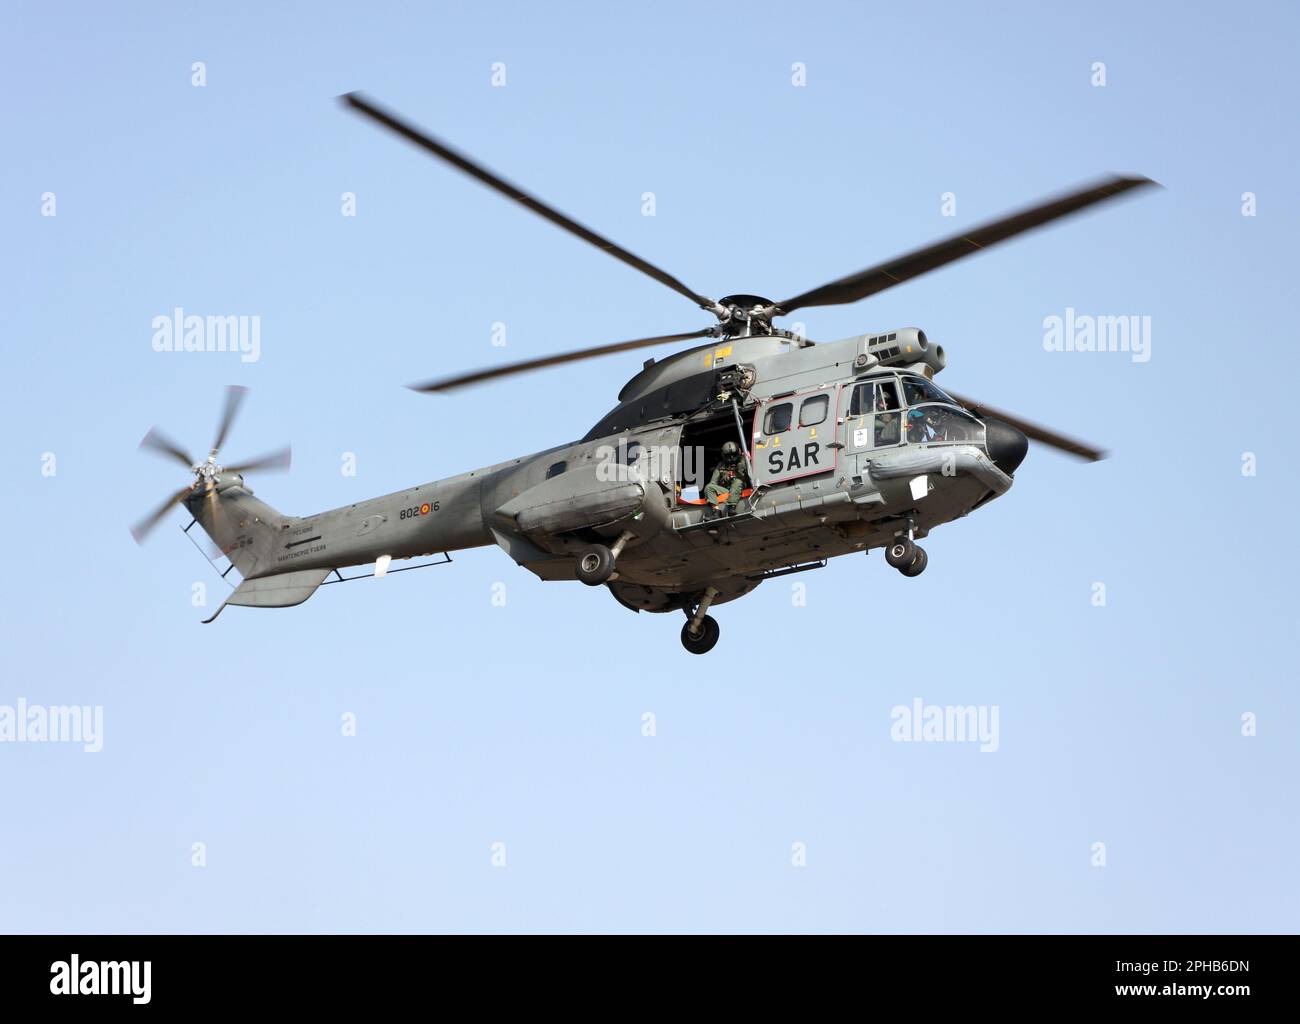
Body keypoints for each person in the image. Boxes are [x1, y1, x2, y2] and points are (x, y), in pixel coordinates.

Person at [704, 441, 750, 516]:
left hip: (741, 489)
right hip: (727, 490)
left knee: (737, 481)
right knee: (709, 487)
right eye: (729, 456)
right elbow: (713, 482)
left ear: (738, 452)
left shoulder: (745, 460)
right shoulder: (721, 465)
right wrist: (725, 479)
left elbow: (750, 475)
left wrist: (748, 460)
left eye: (734, 455)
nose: (732, 458)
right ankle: (716, 511)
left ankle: (731, 507)